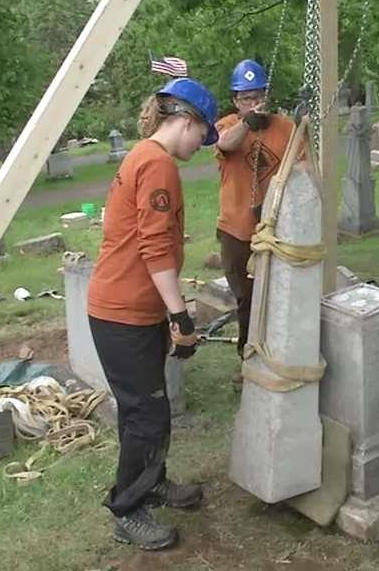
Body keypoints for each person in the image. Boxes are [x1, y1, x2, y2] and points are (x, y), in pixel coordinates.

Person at [86, 77, 219, 551]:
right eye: (203, 133)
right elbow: (156, 248)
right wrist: (180, 317)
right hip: (123, 311)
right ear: (186, 120)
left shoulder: (144, 155)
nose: (203, 144)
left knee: (146, 409)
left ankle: (152, 481)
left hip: (127, 309)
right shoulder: (157, 163)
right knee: (147, 414)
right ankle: (127, 509)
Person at [212, 59, 295, 387]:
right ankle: (247, 361)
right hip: (235, 229)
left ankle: (279, 353)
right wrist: (247, 122)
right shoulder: (227, 125)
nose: (254, 103)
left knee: (279, 292)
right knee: (246, 298)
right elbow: (225, 145)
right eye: (246, 98)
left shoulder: (285, 127)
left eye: (258, 96)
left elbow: (302, 168)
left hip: (275, 229)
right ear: (236, 101)